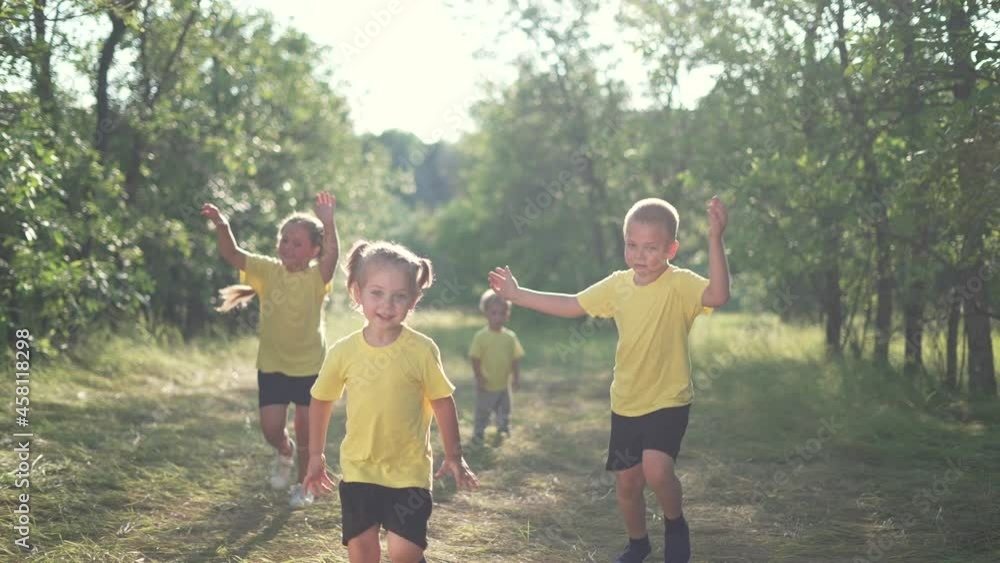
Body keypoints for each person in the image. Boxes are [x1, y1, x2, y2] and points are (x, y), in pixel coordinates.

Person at [488, 197, 730, 563]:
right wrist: (517, 295)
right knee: (627, 484)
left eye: (651, 248)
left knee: (657, 469)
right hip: (627, 401)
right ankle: (638, 543)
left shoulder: (680, 284)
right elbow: (571, 304)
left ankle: (675, 523)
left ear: (671, 249)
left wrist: (715, 238)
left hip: (669, 398)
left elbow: (719, 294)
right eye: (632, 245)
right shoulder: (618, 285)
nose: (639, 255)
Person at [303, 240, 479, 563]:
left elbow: (443, 402)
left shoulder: (422, 350)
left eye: (399, 296)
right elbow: (320, 400)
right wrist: (315, 454)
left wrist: (454, 454)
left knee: (404, 555)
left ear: (413, 301)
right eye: (377, 293)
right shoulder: (343, 352)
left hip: (408, 473)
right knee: (362, 555)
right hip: (359, 470)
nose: (388, 304)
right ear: (357, 293)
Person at [201, 192, 338, 508]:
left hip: (310, 366)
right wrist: (222, 225)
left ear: (314, 250)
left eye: (297, 243)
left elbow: (332, 256)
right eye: (284, 240)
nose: (288, 247)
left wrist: (329, 223)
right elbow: (232, 253)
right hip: (273, 365)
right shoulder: (267, 269)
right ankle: (283, 452)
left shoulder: (318, 278)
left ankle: (304, 487)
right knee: (271, 429)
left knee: (307, 434)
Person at [469, 289, 525, 442]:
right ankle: (479, 433)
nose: (498, 317)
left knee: (504, 410)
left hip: (503, 385)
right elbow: (475, 358)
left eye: (502, 313)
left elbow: (515, 359)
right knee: (483, 411)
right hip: (486, 384)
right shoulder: (481, 337)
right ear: (485, 313)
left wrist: (516, 378)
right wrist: (479, 377)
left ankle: (504, 429)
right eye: (493, 313)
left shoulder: (510, 337)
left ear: (507, 315)